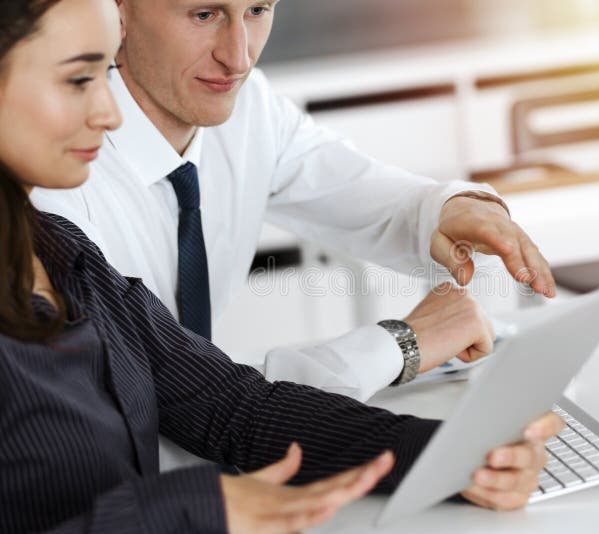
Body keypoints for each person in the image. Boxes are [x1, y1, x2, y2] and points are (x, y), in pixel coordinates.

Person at [0, 0, 564, 532]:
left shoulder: (63, 253)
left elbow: (231, 408)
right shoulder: (64, 200)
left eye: (259, 9)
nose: (107, 110)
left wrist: (462, 453)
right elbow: (165, 443)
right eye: (80, 79)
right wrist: (193, 508)